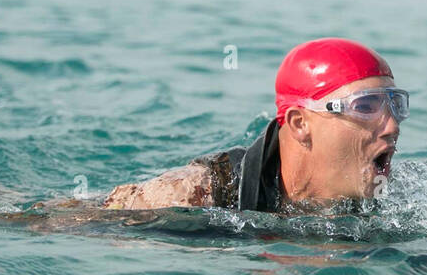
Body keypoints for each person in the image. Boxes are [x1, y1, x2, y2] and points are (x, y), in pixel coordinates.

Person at [101, 38, 406, 212]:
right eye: (366, 107)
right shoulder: (194, 194)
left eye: (395, 106)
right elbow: (79, 223)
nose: (392, 126)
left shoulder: (393, 197)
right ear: (300, 124)